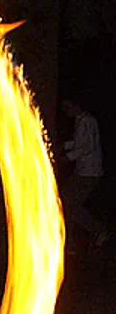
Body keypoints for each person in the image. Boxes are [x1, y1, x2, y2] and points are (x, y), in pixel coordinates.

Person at [60, 97, 109, 249]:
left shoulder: (86, 121)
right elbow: (80, 142)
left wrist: (67, 157)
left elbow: (87, 146)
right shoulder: (82, 121)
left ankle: (98, 230)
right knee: (67, 201)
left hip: (89, 173)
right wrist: (63, 146)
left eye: (67, 107)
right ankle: (70, 240)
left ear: (76, 104)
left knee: (70, 203)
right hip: (83, 171)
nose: (65, 111)